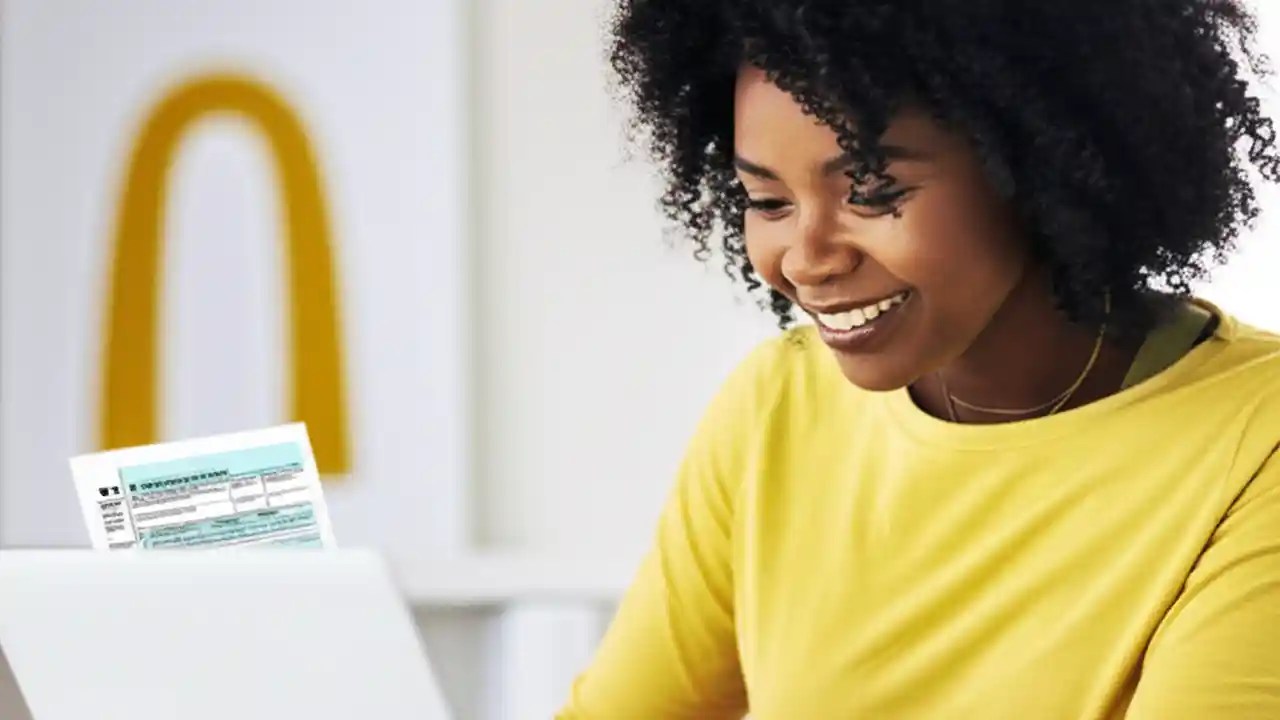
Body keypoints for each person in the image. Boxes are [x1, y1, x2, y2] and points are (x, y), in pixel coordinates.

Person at [558, 1, 1280, 718]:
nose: (806, 260)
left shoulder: (1256, 440)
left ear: (1035, 164)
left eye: (872, 192)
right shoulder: (778, 407)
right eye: (768, 201)